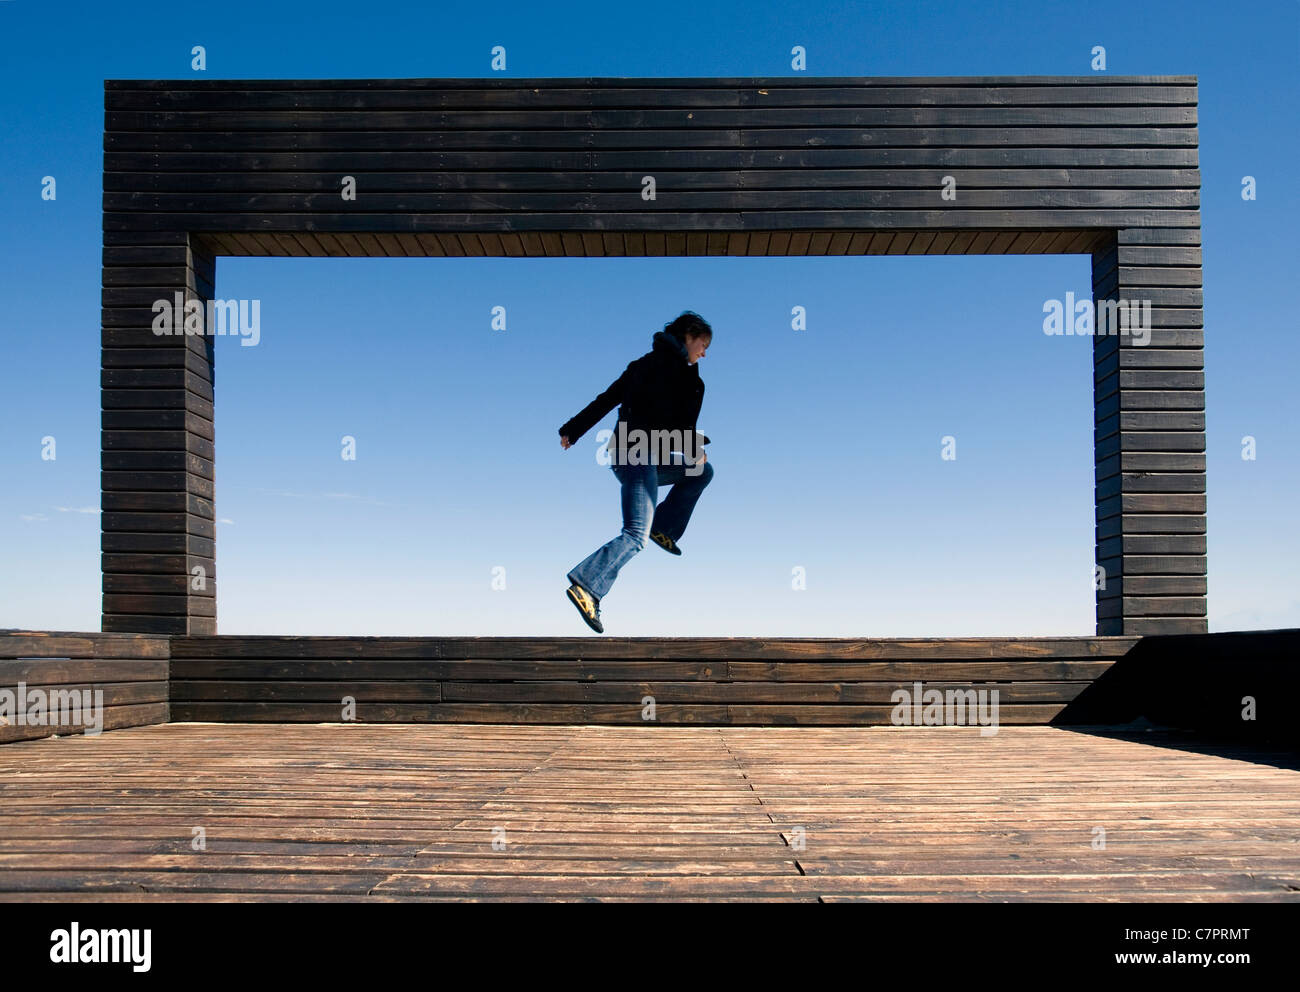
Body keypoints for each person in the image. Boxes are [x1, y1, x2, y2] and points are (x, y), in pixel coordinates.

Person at [558, 312, 715, 632]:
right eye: (704, 344)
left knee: (701, 471)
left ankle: (664, 526)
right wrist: (574, 429)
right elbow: (609, 398)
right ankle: (587, 585)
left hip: (651, 455)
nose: (705, 352)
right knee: (634, 535)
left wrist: (694, 449)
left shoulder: (689, 378)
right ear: (689, 336)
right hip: (632, 454)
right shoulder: (651, 366)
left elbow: (681, 425)